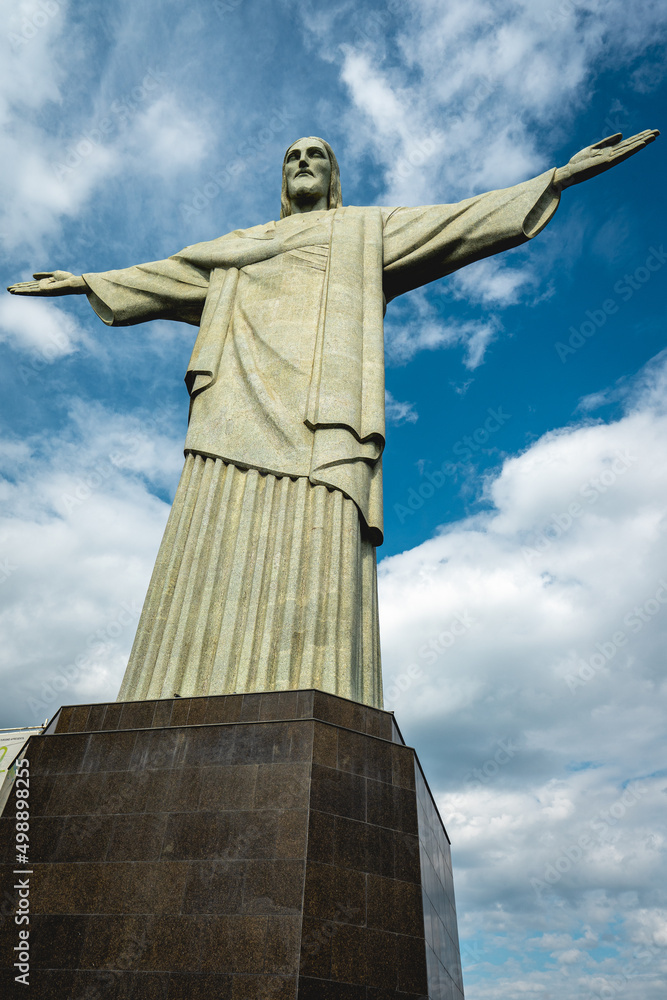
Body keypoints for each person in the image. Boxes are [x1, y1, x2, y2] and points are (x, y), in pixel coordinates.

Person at [8, 129, 659, 708]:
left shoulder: (363, 232)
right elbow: (163, 274)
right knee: (212, 528)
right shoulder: (239, 245)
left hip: (325, 414)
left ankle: (310, 688)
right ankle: (169, 690)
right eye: (291, 154)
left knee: (316, 537)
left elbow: (456, 223)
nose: (302, 160)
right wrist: (84, 282)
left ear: (333, 175)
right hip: (233, 407)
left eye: (315, 153)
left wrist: (554, 178)